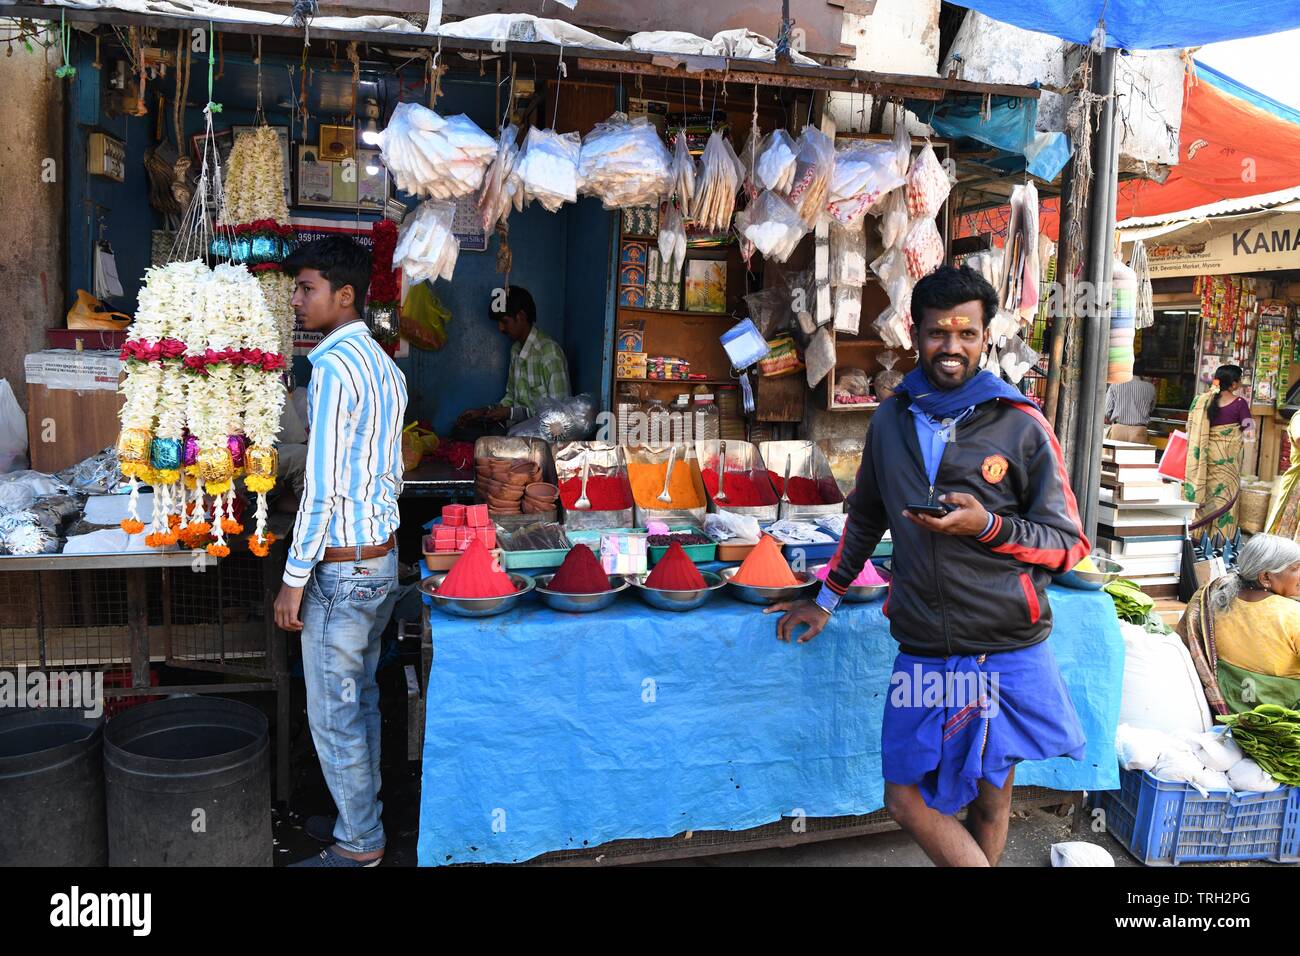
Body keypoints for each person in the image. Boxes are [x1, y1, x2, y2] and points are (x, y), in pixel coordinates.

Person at [768, 264, 1090, 868]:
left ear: (985, 337)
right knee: (905, 797)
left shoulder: (1020, 424)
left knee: (992, 803)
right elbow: (865, 517)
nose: (952, 347)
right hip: (926, 647)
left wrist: (987, 526)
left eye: (967, 333)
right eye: (939, 333)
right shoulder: (890, 419)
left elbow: (1067, 543)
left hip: (1004, 648)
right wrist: (825, 599)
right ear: (914, 334)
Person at [272, 236, 408, 868]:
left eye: (307, 289)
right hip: (379, 562)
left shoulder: (329, 368)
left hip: (340, 569)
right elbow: (390, 472)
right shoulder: (386, 367)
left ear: (343, 295)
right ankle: (363, 814)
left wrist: (294, 578)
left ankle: (360, 844)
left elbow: (322, 487)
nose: (297, 301)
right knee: (361, 701)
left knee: (334, 716)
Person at [1177, 533, 1300, 715]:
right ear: (1266, 577)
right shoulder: (1291, 614)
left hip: (1229, 714)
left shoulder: (1211, 598)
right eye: (1296, 568)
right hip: (1281, 719)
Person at [454, 286, 570, 438]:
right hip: (516, 433)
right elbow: (511, 398)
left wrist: (510, 413)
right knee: (461, 431)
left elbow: (559, 417)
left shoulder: (549, 352)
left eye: (504, 321)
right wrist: (484, 411)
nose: (500, 328)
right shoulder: (515, 350)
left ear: (521, 316)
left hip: (542, 440)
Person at [1183, 365, 1255, 541]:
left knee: (1205, 494)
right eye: (1239, 380)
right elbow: (1249, 432)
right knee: (1224, 497)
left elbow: (1189, 428)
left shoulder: (1202, 402)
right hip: (1226, 462)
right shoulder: (1239, 404)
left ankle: (1197, 536)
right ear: (1233, 384)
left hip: (1204, 460)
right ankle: (1219, 539)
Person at [1104, 376, 1156, 443]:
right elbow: (1151, 409)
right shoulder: (1150, 387)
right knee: (1137, 453)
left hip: (1118, 429)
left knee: (1114, 453)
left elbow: (1107, 410)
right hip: (1139, 431)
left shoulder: (1115, 385)